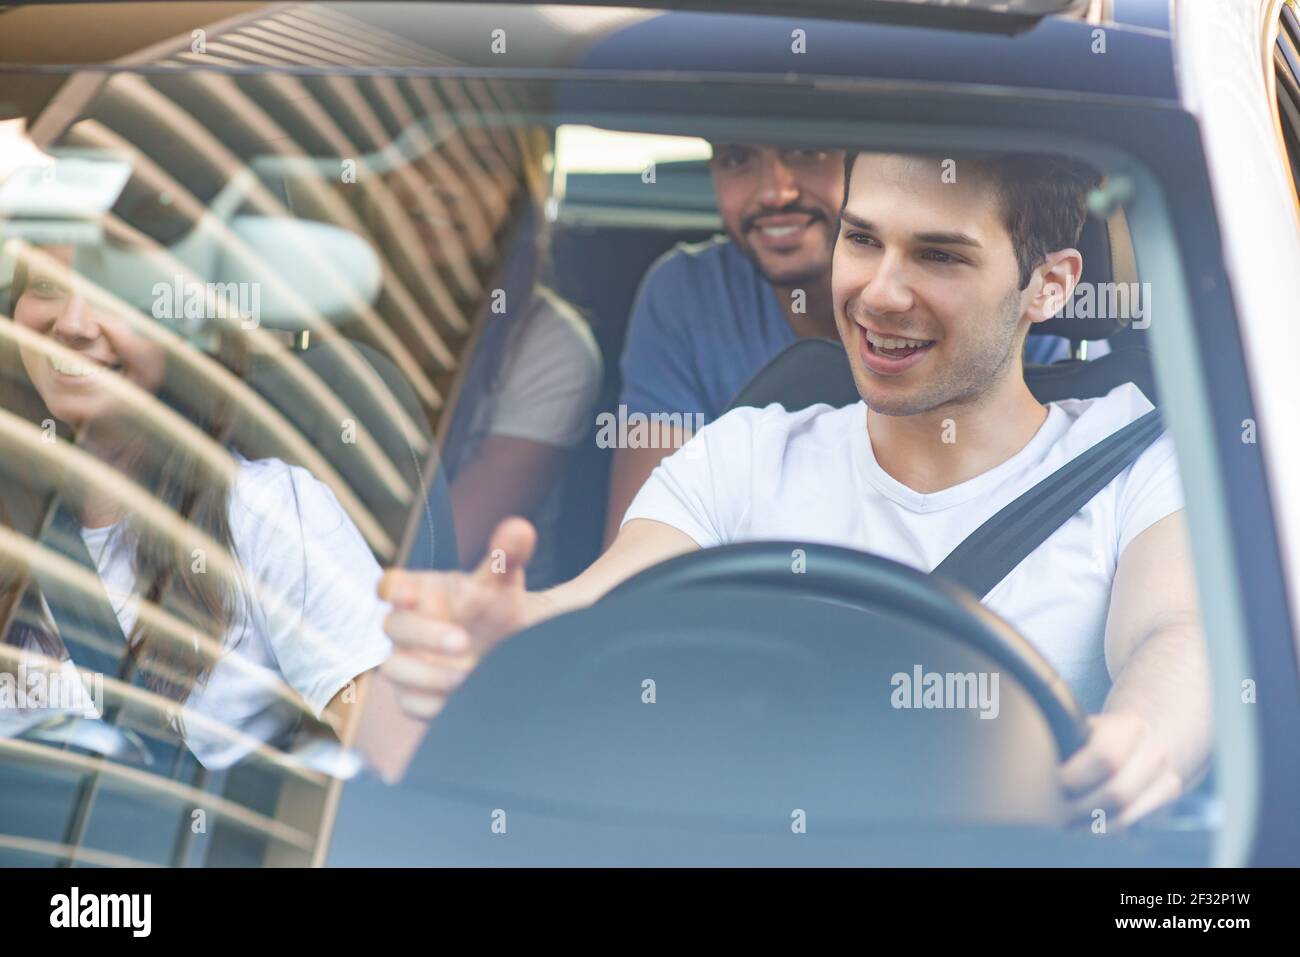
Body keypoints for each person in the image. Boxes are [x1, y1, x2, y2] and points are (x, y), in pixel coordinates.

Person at [376, 150, 1211, 828]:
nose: (880, 292)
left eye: (939, 254)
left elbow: (1178, 635)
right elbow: (603, 600)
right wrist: (514, 632)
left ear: (1051, 285)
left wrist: (1143, 736)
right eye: (861, 240)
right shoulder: (744, 454)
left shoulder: (1131, 459)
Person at [0, 243, 390, 770]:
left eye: (116, 291)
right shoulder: (17, 512)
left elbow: (393, 759)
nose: (73, 323)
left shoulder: (268, 514)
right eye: (45, 283)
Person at [605, 142, 1072, 545]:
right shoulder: (739, 451)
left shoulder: (1112, 463)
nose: (776, 193)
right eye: (737, 158)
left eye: (807, 153)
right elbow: (634, 575)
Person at [369, 129, 602, 587]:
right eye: (422, 153)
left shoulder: (550, 344)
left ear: (519, 194)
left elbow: (436, 553)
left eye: (479, 163)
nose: (445, 183)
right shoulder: (318, 303)